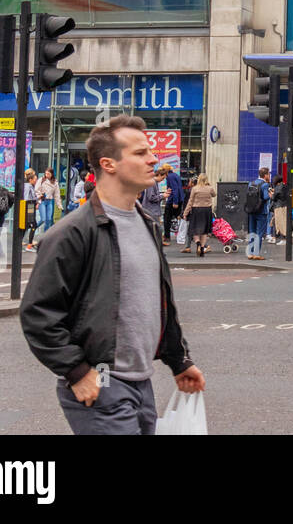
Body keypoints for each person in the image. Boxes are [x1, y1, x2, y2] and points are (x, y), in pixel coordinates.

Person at [20, 114, 204, 435]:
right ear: (109, 164)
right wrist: (77, 372)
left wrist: (179, 360)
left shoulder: (147, 222)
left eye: (150, 151)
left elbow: (157, 301)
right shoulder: (72, 232)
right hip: (102, 378)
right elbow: (38, 313)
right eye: (140, 153)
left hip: (141, 382)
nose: (153, 159)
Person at [182, 174, 216, 257]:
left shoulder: (195, 189)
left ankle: (197, 243)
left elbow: (190, 201)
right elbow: (214, 195)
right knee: (204, 231)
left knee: (194, 229)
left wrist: (185, 213)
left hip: (196, 210)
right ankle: (201, 248)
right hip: (207, 210)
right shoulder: (210, 188)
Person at [245, 167, 271, 260]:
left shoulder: (251, 183)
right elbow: (265, 197)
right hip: (261, 211)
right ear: (265, 175)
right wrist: (270, 195)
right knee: (259, 233)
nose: (269, 176)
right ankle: (256, 254)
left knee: (252, 232)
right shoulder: (265, 185)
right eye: (269, 174)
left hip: (251, 210)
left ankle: (250, 253)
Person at [269, 174, 291, 245]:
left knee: (280, 223)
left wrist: (271, 195)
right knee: (277, 222)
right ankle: (275, 237)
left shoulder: (278, 187)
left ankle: (283, 239)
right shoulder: (284, 186)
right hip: (284, 206)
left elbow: (274, 198)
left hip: (279, 207)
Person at [23, 170, 41, 249]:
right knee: (33, 225)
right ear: (30, 180)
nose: (36, 181)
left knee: (26, 226)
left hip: (29, 207)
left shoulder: (28, 186)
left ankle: (26, 243)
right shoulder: (28, 186)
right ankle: (29, 245)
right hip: (29, 207)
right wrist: (35, 201)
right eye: (35, 179)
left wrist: (37, 199)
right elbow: (27, 198)